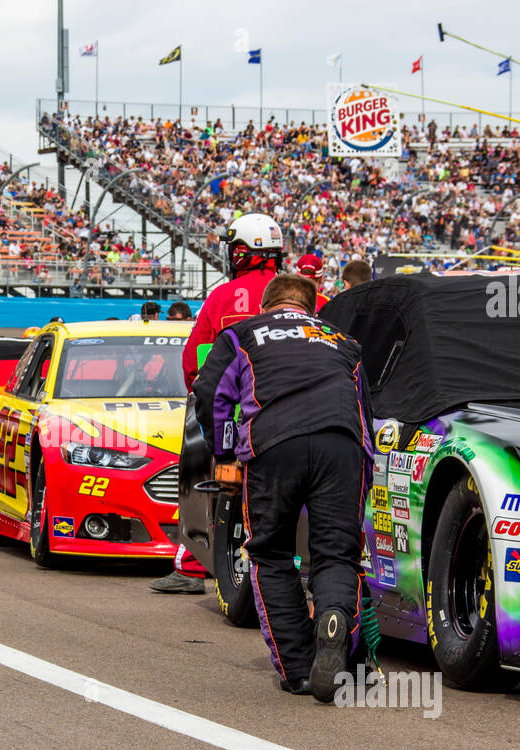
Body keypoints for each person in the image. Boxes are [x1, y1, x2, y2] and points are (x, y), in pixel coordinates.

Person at [193, 274, 374, 700]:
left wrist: (223, 457)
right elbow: (366, 406)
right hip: (342, 443)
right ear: (311, 309)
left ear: (265, 305)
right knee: (337, 553)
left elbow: (210, 392)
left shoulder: (242, 333)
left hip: (274, 443)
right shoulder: (342, 340)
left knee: (270, 552)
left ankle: (299, 668)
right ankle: (331, 621)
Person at [151, 211, 284, 595]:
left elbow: (194, 361)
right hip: (294, 417)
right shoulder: (305, 295)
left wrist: (209, 405)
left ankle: (191, 566)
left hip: (237, 417)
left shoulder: (223, 296)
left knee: (198, 479)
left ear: (241, 254)